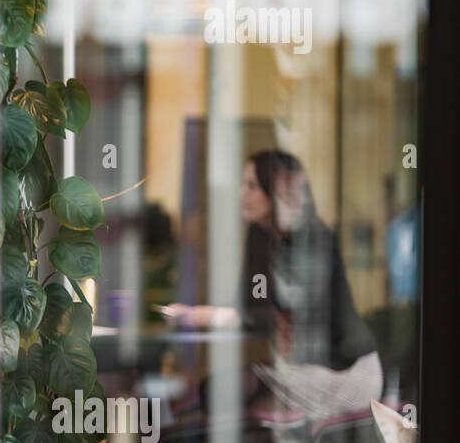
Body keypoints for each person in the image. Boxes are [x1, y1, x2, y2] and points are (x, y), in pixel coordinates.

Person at [163, 149, 382, 420]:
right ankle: (171, 426)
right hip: (299, 370)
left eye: (252, 185)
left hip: (344, 373)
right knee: (223, 393)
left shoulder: (314, 239)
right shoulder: (260, 236)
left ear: (274, 192)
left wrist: (212, 316)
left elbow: (296, 318)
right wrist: (204, 314)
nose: (242, 193)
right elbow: (249, 308)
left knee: (229, 394)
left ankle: (172, 423)